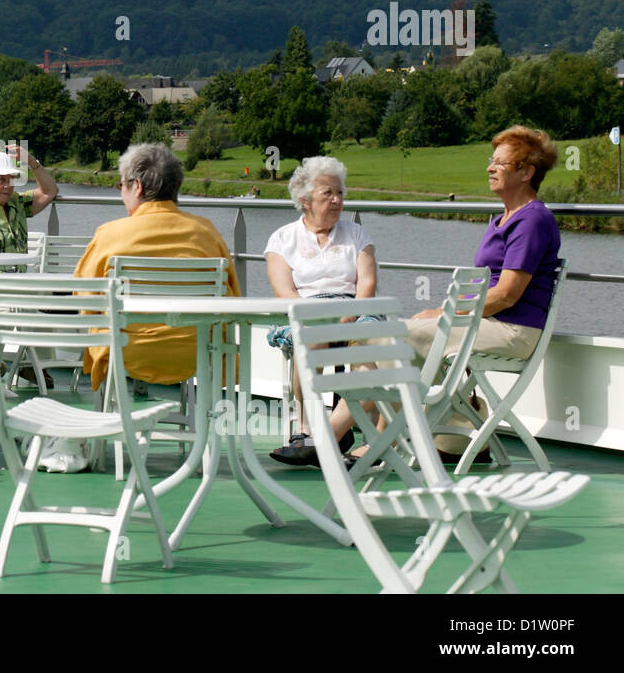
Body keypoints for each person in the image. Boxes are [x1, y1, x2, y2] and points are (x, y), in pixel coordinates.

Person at [74, 142, 241, 390]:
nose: (121, 194)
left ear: (137, 187)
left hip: (127, 351)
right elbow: (232, 296)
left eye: (122, 186)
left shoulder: (110, 234)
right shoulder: (207, 232)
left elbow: (84, 296)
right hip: (198, 352)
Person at [406, 126, 561, 368]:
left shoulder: (532, 220)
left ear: (526, 172)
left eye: (501, 163)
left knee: (392, 336)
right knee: (396, 338)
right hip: (485, 322)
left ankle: (416, 403)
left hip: (512, 329)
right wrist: (440, 310)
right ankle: (456, 405)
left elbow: (505, 295)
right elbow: (483, 288)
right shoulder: (503, 219)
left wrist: (442, 314)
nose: (490, 168)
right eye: (492, 161)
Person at [265, 156, 379, 468]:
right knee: (311, 336)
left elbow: (367, 284)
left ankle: (361, 432)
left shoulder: (356, 234)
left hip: (355, 307)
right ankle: (306, 427)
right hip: (304, 310)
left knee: (369, 339)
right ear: (305, 200)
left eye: (340, 193)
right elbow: (284, 293)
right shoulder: (283, 238)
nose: (337, 200)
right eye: (328, 193)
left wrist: (352, 313)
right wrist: (316, 315)